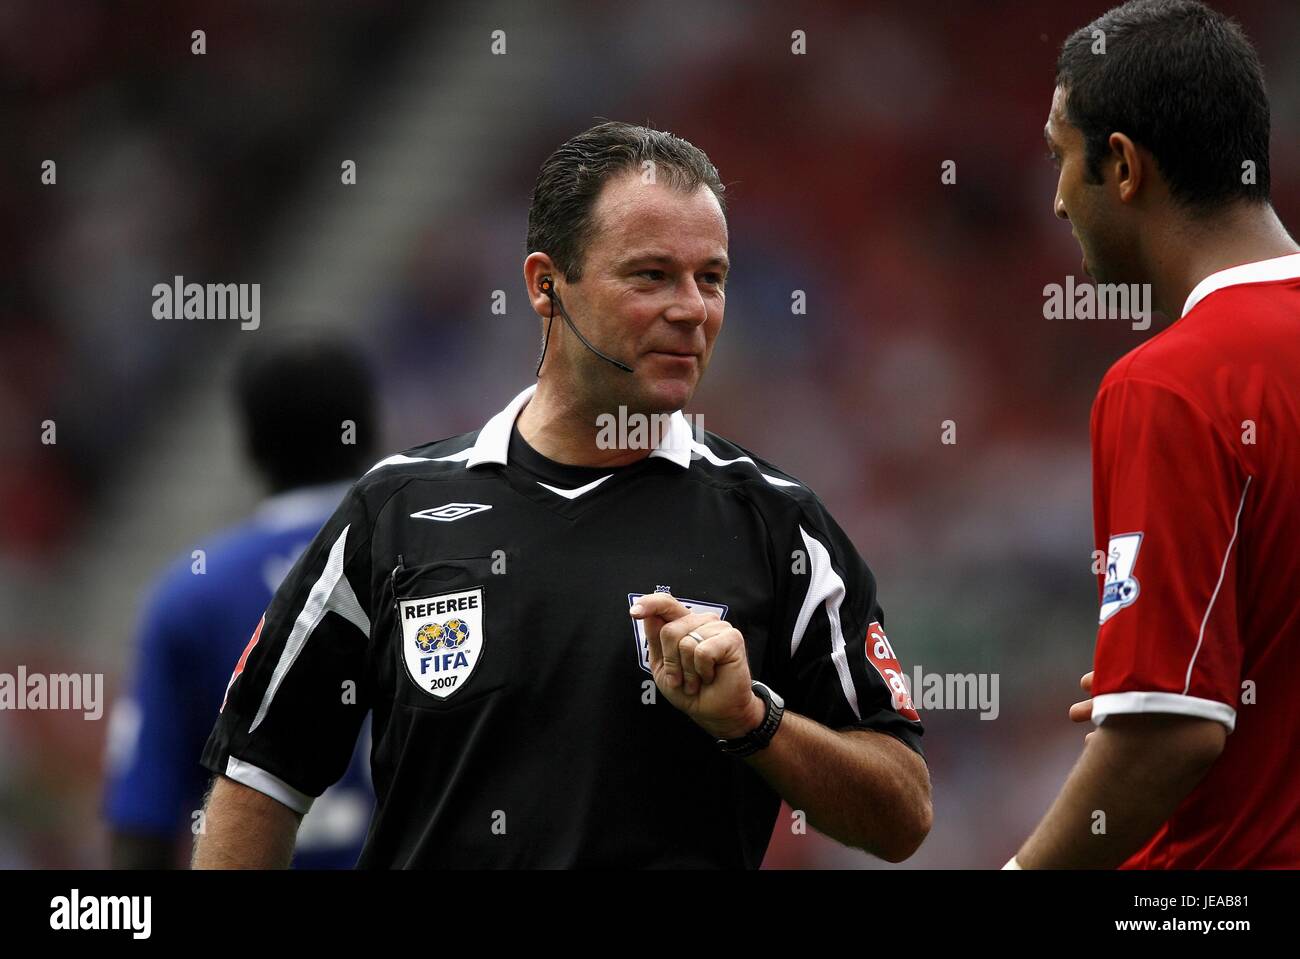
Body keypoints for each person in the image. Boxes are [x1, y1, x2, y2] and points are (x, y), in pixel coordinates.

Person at [194, 121, 931, 869]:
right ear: (546, 284)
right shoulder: (395, 512)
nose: (692, 309)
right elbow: (261, 773)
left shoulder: (779, 526)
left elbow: (902, 813)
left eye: (711, 278)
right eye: (651, 276)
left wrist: (754, 720)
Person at [1012, 0, 1300, 868]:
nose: (1059, 200)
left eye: (1062, 158)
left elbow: (1169, 738)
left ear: (1125, 167)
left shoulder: (1169, 386)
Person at [103, 332, 379, 869]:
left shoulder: (188, 596)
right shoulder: (425, 567)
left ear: (249, 443)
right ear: (367, 430)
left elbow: (142, 827)